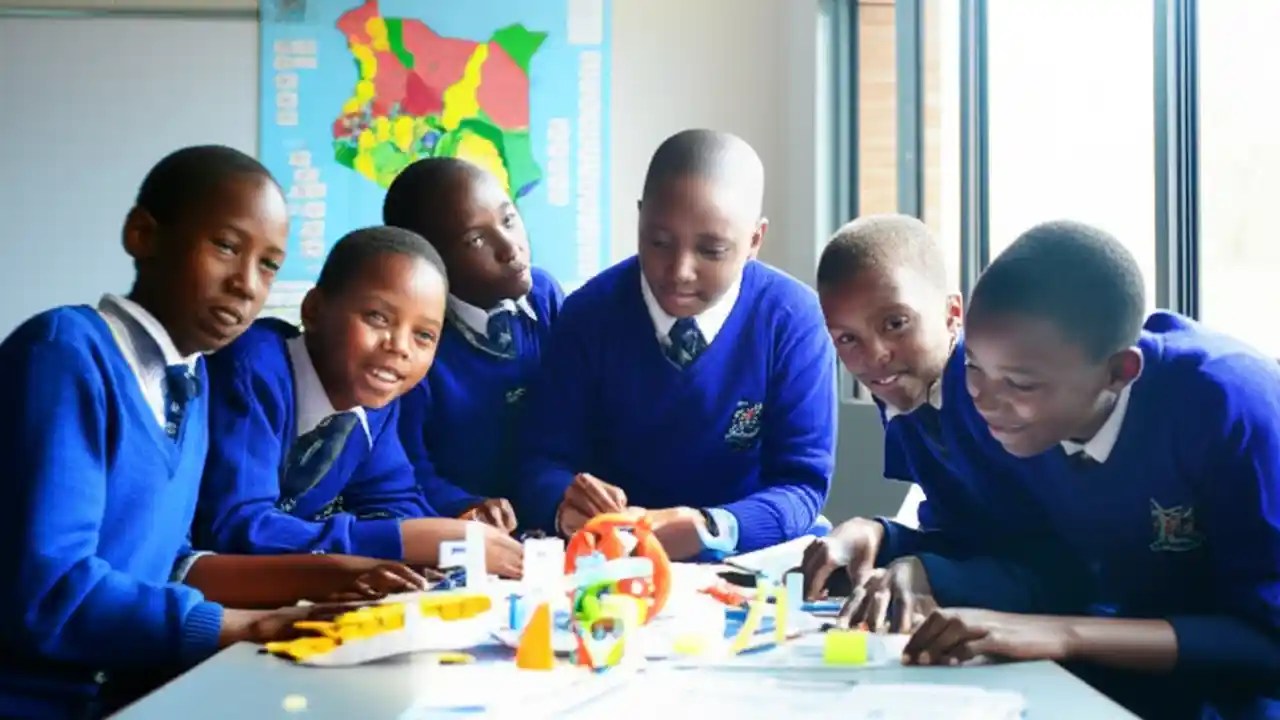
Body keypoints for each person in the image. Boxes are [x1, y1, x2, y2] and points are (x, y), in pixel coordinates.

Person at [0, 145, 362, 717]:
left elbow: (166, 562)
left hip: (134, 692)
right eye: (226, 246)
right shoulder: (66, 352)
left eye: (269, 264)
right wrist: (243, 626)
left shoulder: (188, 378)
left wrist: (332, 580)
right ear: (142, 235)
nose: (247, 284)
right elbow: (51, 589)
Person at [901, 221, 1280, 719]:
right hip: (1104, 678)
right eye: (972, 365)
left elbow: (1268, 641)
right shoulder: (998, 405)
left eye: (1020, 383)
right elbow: (1011, 547)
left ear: (1119, 372)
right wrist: (900, 551)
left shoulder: (1229, 407)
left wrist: (1062, 632)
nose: (984, 400)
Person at [516, 129, 837, 561]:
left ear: (754, 241)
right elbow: (538, 462)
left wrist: (713, 527)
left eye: (712, 250)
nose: (680, 270)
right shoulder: (588, 316)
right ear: (639, 218)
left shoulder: (793, 321)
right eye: (659, 242)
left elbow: (803, 485)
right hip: (616, 558)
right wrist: (563, 502)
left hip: (747, 558)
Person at [196, 225, 523, 577]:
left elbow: (392, 501)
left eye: (424, 335)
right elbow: (237, 527)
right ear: (315, 310)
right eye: (377, 318)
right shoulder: (254, 369)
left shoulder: (374, 405)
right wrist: (402, 542)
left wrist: (444, 532)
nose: (399, 347)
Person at [801, 215, 1074, 630]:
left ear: (952, 314)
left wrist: (935, 573)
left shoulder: (1005, 398)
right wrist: (880, 536)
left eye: (895, 324)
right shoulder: (906, 395)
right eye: (847, 339)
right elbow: (966, 535)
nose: (874, 356)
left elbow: (1069, 571)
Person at [385, 158, 564, 532]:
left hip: (555, 520)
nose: (510, 248)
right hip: (463, 536)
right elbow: (406, 467)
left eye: (509, 220)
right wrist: (462, 507)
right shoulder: (415, 347)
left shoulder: (545, 298)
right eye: (476, 240)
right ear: (430, 261)